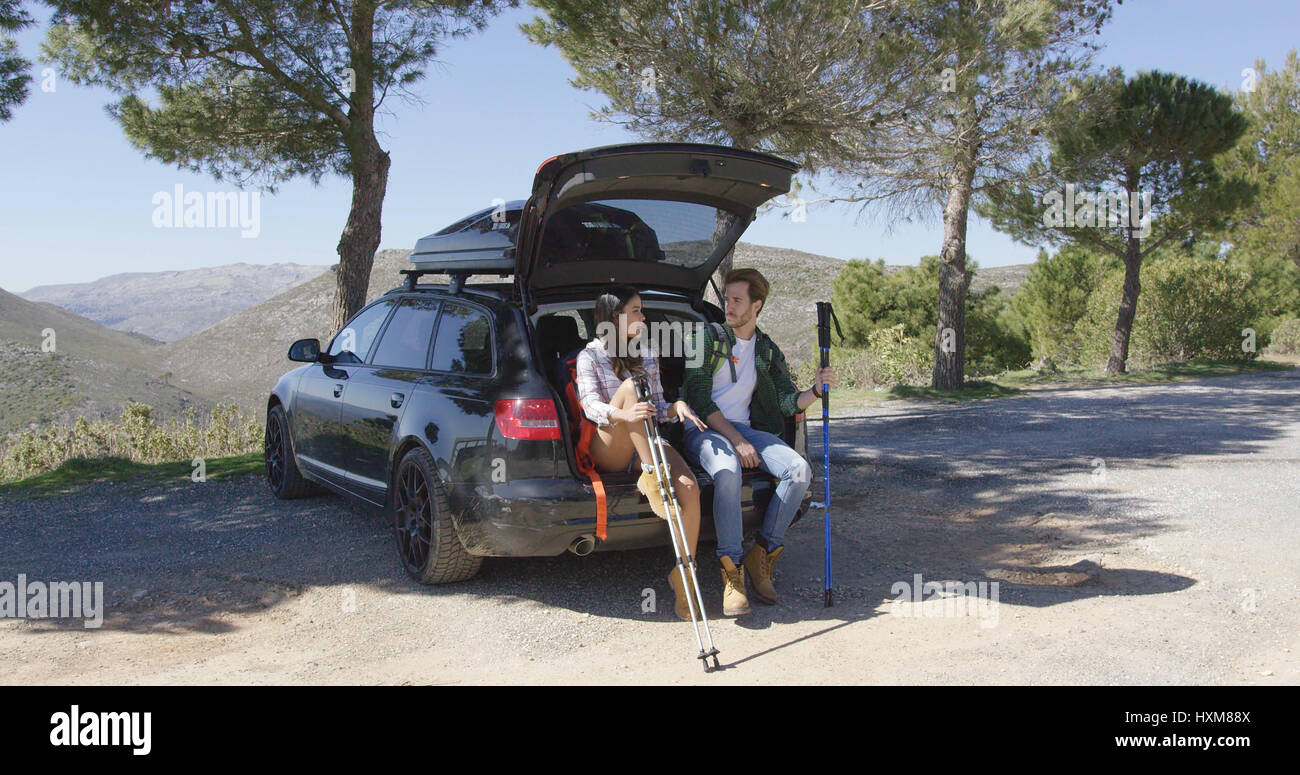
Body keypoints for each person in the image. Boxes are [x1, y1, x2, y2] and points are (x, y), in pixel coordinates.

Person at [681, 268, 835, 616]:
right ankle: (732, 571)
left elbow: (785, 402)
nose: (729, 306)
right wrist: (736, 440)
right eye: (727, 299)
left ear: (757, 305)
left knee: (799, 470)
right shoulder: (702, 338)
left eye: (738, 300)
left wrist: (814, 390)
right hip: (702, 428)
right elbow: (698, 398)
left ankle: (762, 551)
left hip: (744, 430)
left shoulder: (766, 349)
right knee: (727, 469)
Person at [575, 285, 709, 620]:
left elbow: (659, 408)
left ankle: (684, 575)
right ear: (615, 317)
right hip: (610, 444)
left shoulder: (647, 353)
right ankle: (653, 476)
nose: (643, 317)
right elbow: (589, 405)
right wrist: (623, 414)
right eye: (636, 310)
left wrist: (676, 407)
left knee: (689, 487)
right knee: (632, 387)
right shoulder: (589, 356)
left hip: (646, 441)